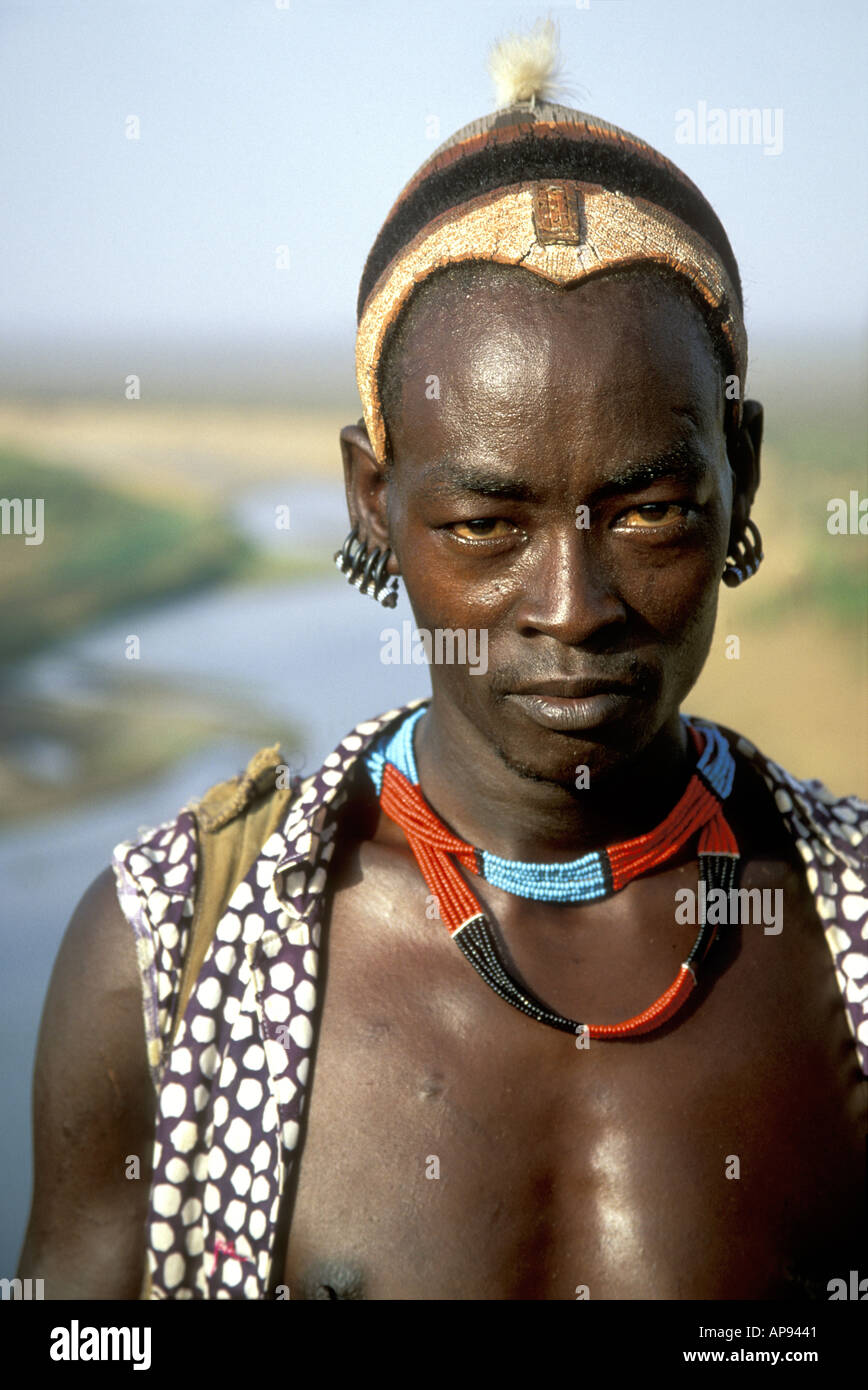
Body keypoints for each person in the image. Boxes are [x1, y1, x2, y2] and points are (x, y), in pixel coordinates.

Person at [17, 24, 867, 1301]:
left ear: (739, 471)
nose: (572, 609)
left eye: (647, 511)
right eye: (484, 526)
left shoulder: (848, 938)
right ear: (373, 500)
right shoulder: (175, 962)